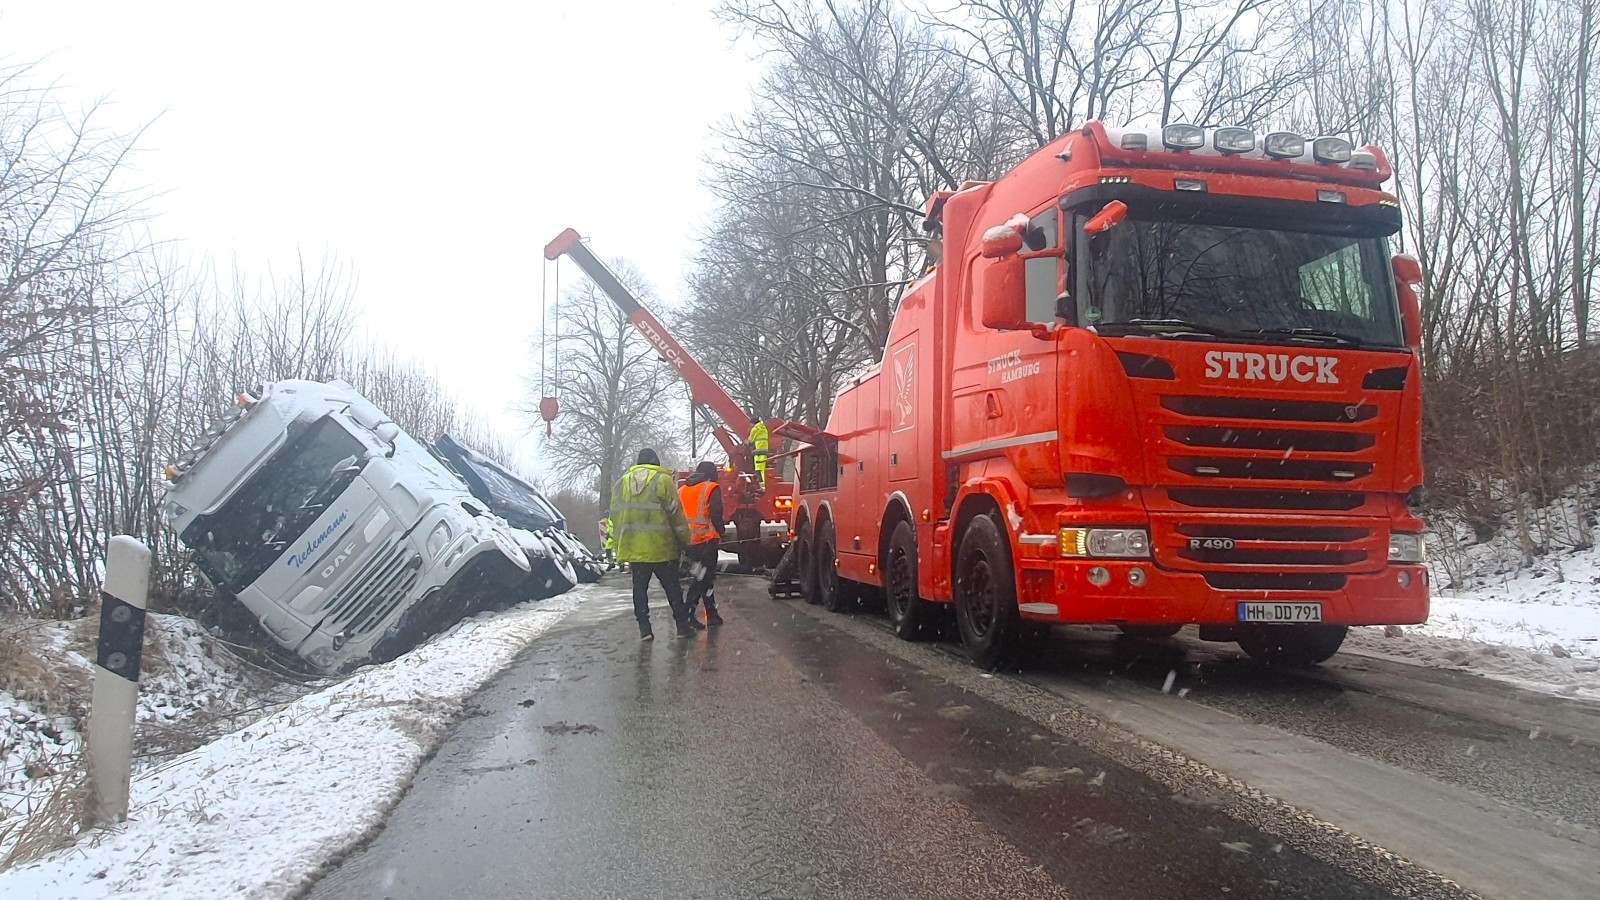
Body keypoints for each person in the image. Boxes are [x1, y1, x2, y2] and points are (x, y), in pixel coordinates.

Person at [611, 448, 698, 640]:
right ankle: (682, 626)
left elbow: (615, 517)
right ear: (656, 463)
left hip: (634, 549)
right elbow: (676, 514)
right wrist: (685, 540)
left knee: (639, 590)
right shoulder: (663, 480)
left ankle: (644, 628)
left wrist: (618, 546)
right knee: (673, 588)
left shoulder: (623, 483)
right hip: (662, 548)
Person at [678, 460, 726, 627]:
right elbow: (716, 513)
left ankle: (711, 613)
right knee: (703, 578)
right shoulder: (711, 488)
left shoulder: (682, 490)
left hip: (687, 542)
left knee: (703, 577)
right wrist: (722, 532)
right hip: (707, 541)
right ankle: (688, 613)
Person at [748, 416, 770, 490]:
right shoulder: (764, 428)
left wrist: (746, 443)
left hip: (758, 452)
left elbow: (750, 440)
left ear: (753, 423)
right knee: (763, 469)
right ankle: (765, 485)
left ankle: (763, 487)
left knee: (759, 470)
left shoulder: (755, 429)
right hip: (764, 450)